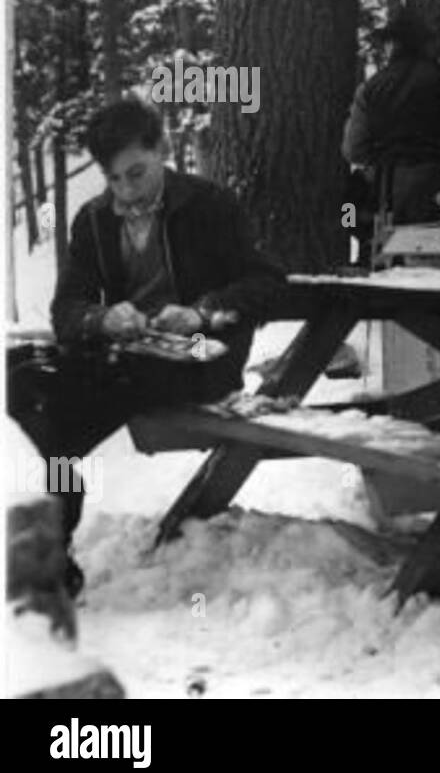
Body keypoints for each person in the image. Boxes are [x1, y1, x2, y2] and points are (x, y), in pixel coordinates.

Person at [7, 97, 286, 596]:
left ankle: (52, 553)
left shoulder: (210, 205)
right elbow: (66, 308)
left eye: (136, 174)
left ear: (163, 149)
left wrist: (203, 311)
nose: (125, 191)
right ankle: (54, 537)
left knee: (62, 421)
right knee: (21, 379)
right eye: (113, 179)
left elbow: (267, 283)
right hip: (130, 356)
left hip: (202, 356)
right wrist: (102, 316)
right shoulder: (95, 220)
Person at [341, 8, 440, 224]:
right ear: (424, 42)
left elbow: (353, 150)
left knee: (391, 249)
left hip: (388, 189)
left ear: (392, 44)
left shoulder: (369, 88)